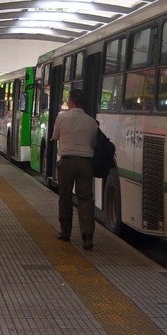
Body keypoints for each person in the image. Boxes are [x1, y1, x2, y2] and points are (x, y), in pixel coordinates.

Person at [51, 88, 99, 249]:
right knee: (85, 199)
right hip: (86, 163)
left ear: (71, 102)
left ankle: (65, 233)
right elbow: (93, 143)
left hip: (67, 163)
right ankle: (88, 237)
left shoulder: (62, 118)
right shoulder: (92, 122)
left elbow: (55, 136)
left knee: (65, 197)